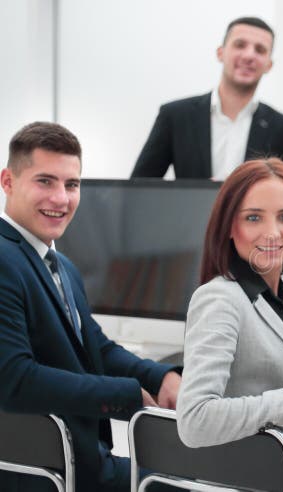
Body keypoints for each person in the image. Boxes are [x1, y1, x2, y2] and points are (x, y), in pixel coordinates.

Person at [0, 122, 181, 491]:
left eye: (72, 184)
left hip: (80, 458)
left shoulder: (61, 265)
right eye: (45, 181)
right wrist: (125, 395)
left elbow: (96, 348)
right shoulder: (3, 258)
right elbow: (15, 379)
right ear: (8, 182)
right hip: (43, 472)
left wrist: (158, 377)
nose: (61, 198)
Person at [176, 158, 283, 490]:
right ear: (230, 226)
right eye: (254, 217)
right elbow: (194, 420)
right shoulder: (220, 299)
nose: (272, 233)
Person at [131, 17, 283, 183]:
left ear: (269, 65)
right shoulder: (175, 116)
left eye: (260, 50)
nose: (249, 55)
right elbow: (140, 187)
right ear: (220, 53)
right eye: (240, 45)